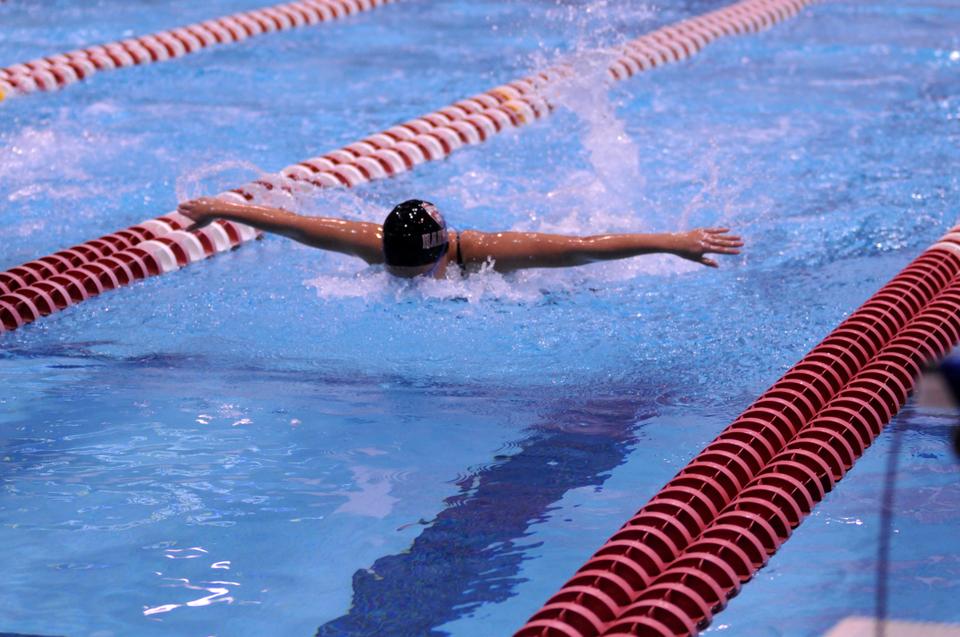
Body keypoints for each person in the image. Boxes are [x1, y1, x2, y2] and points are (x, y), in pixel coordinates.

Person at [177, 197, 743, 278]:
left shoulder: (484, 253)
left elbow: (583, 246)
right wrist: (217, 208)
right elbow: (293, 224)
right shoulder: (372, 243)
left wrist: (671, 240)